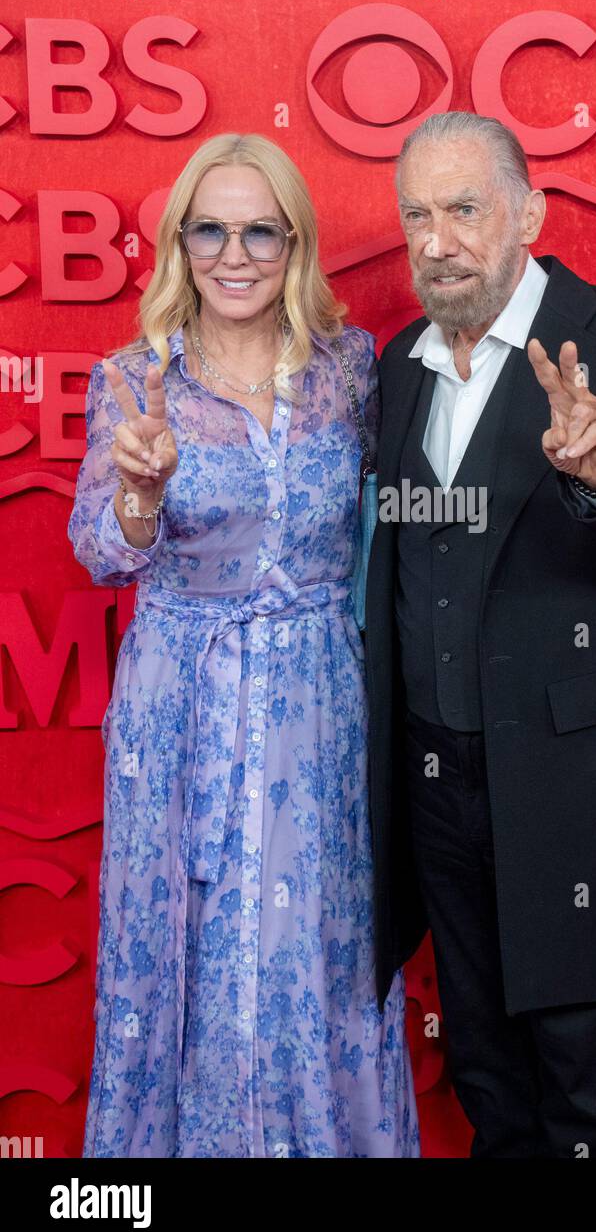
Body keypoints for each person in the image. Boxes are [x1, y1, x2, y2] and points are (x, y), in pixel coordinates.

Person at [364, 110, 596, 1158]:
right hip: (436, 777)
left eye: (464, 209)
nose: (436, 241)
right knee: (481, 1060)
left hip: (569, 775)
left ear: (528, 212)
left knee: (576, 1071)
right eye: (416, 217)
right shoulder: (396, 366)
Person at [68, 132, 419, 1158]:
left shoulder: (348, 372)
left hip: (317, 706)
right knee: (187, 942)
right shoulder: (134, 378)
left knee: (314, 951)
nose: (234, 252)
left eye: (259, 229)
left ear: (294, 242)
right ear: (180, 241)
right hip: (182, 705)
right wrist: (138, 494)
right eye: (209, 228)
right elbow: (100, 551)